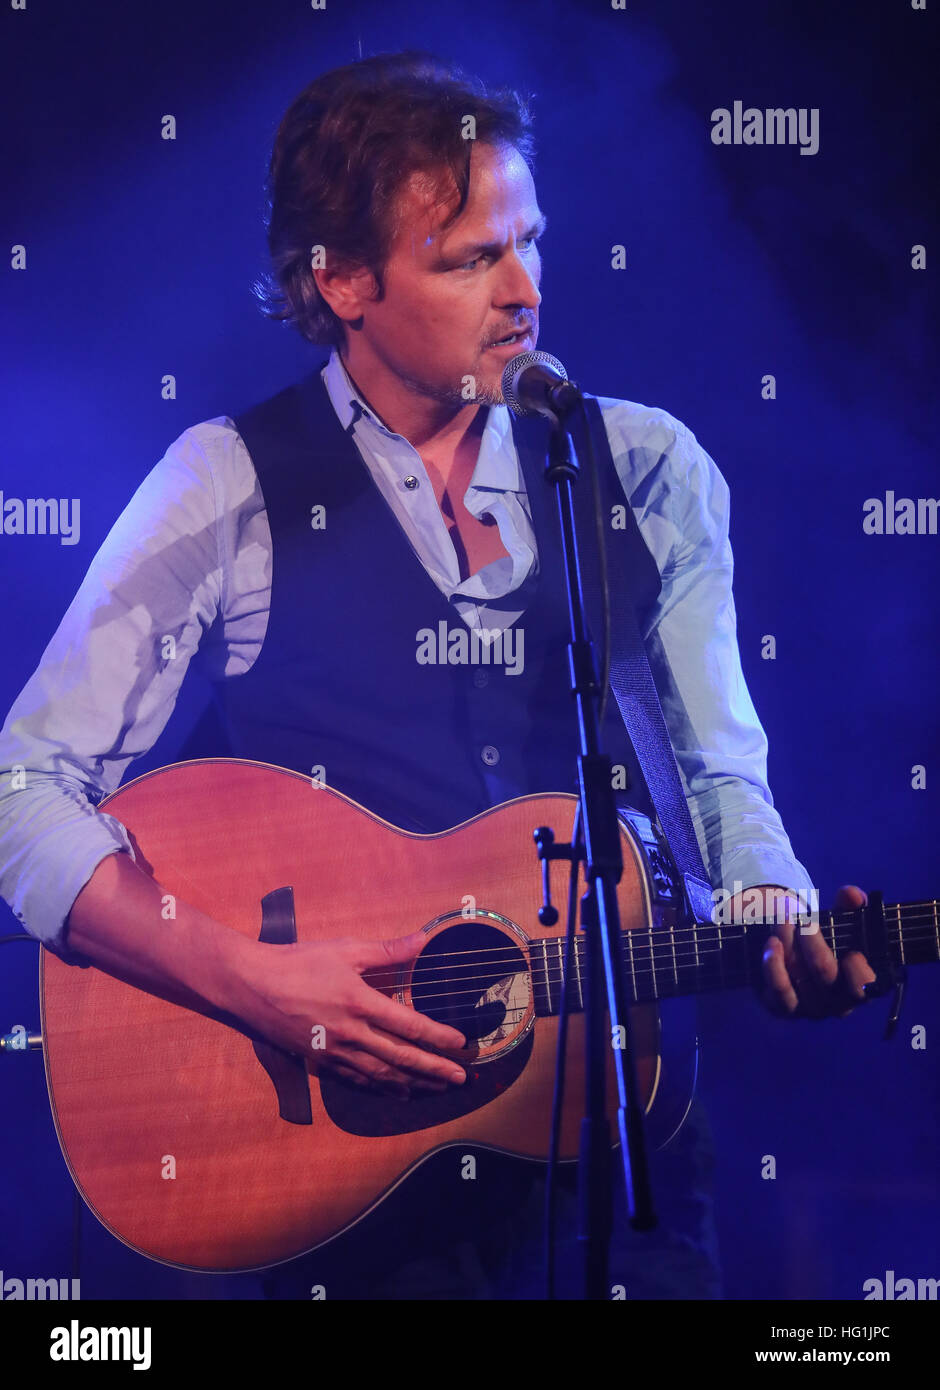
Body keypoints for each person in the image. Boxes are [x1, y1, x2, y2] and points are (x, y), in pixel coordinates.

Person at [0, 51, 875, 1300]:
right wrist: (256, 981)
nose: (523, 289)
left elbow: (725, 788)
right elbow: (20, 791)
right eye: (469, 258)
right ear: (341, 280)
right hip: (347, 1192)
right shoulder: (226, 483)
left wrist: (774, 913)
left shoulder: (646, 469)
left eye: (530, 242)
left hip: (624, 1170)